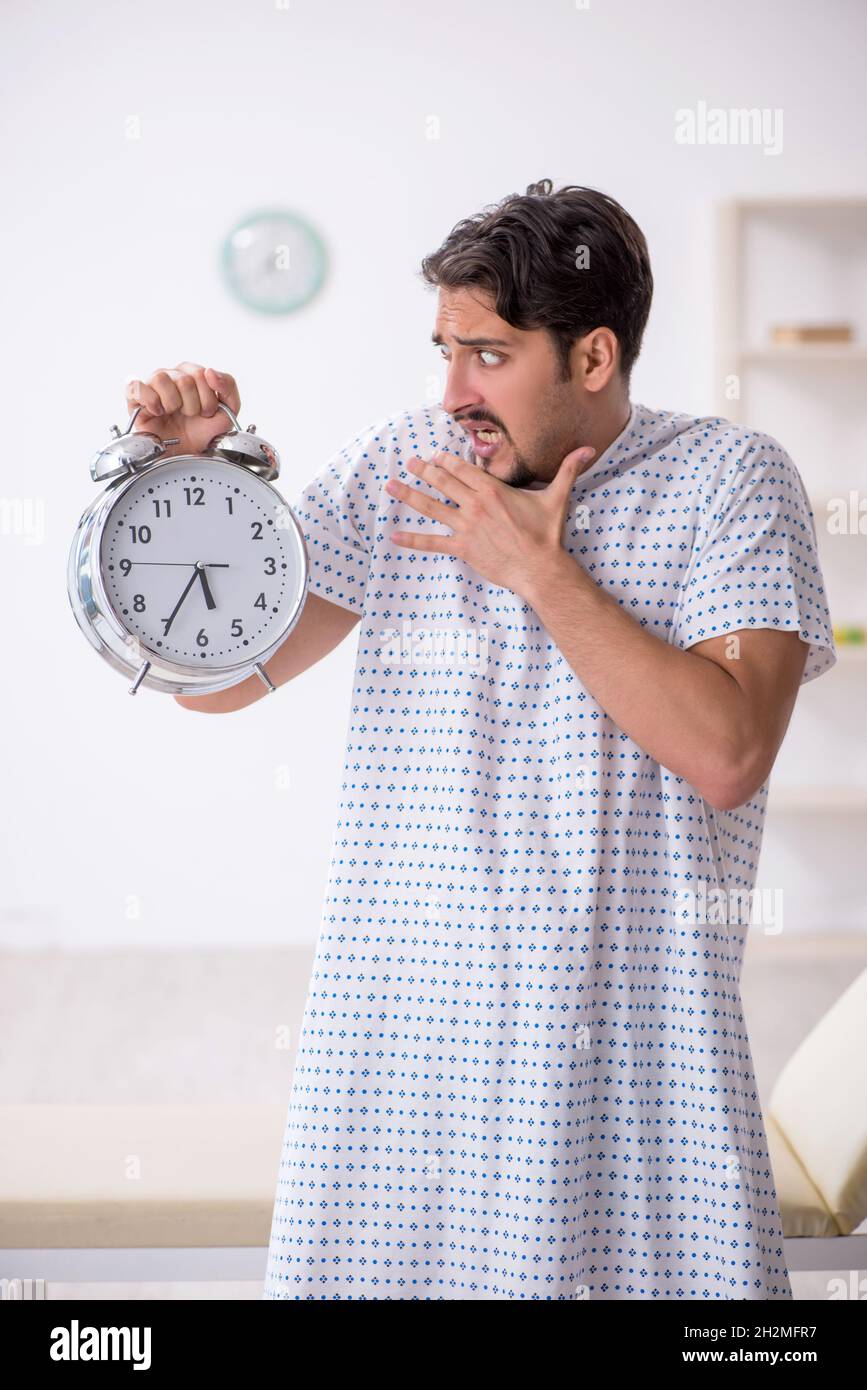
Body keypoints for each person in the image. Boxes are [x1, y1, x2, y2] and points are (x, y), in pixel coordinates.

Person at [126, 178, 835, 1301]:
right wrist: (189, 492)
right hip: (401, 1061)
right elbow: (210, 687)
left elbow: (729, 751)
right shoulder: (408, 464)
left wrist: (540, 572)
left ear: (593, 358)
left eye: (490, 354)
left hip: (634, 1068)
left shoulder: (731, 482)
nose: (453, 389)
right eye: (445, 350)